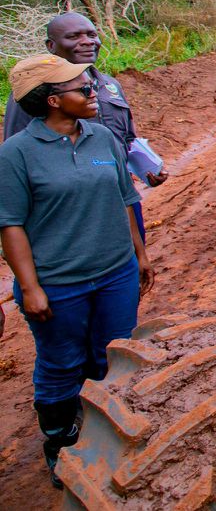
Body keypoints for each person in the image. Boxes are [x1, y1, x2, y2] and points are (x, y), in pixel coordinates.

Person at [0, 54, 154, 487]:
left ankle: (111, 432)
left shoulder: (102, 137)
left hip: (114, 274)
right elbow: (10, 225)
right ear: (52, 100)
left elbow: (126, 199)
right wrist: (29, 288)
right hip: (59, 283)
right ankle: (61, 442)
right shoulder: (16, 154)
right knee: (61, 363)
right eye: (84, 90)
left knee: (115, 355)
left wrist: (139, 256)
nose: (94, 94)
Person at [4, 12, 168, 241]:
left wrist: (146, 169)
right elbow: (16, 152)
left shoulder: (110, 86)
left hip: (119, 194)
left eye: (92, 34)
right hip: (68, 206)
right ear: (52, 46)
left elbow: (128, 138)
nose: (88, 41)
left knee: (129, 259)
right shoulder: (35, 93)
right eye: (74, 36)